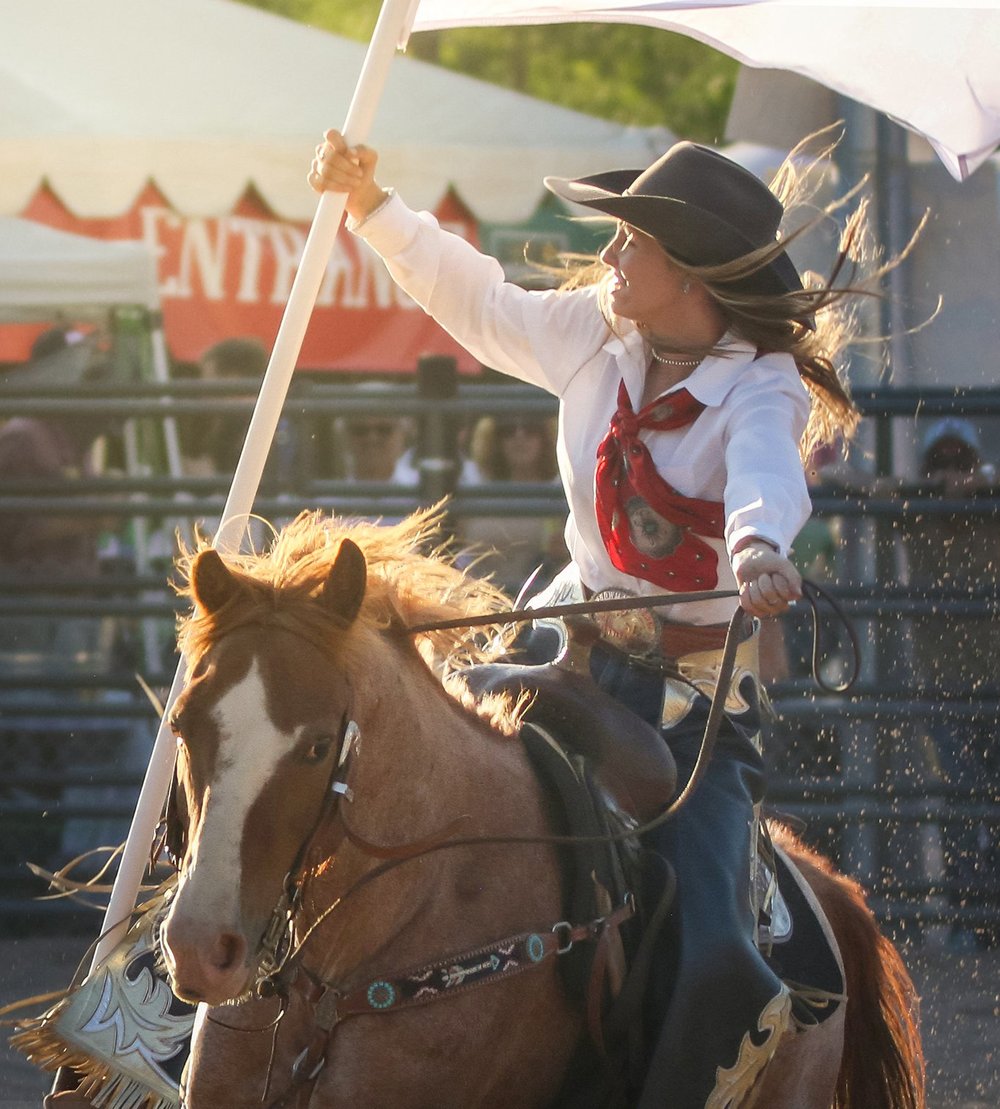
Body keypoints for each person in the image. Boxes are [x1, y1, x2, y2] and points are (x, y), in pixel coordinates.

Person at [309, 128, 886, 1106]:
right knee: (368, 763)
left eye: (633, 243)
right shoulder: (589, 333)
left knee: (713, 948)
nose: (610, 255)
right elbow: (481, 302)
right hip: (558, 647)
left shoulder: (759, 385)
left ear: (692, 274)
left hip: (687, 698)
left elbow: (762, 473)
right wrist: (375, 209)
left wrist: (757, 549)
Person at [904, 417, 1000, 949]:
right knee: (962, 805)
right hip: (943, 690)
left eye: (958, 464)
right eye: (938, 466)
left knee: (986, 802)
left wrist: (984, 481)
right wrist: (925, 491)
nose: (950, 477)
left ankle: (988, 920)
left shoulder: (990, 509)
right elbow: (838, 480)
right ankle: (968, 921)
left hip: (992, 684)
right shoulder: (914, 513)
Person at [463, 413, 566, 595]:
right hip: (485, 599)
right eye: (508, 431)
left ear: (546, 437)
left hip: (545, 601)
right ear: (494, 441)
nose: (520, 436)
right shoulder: (478, 496)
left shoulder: (561, 494)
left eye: (531, 429)